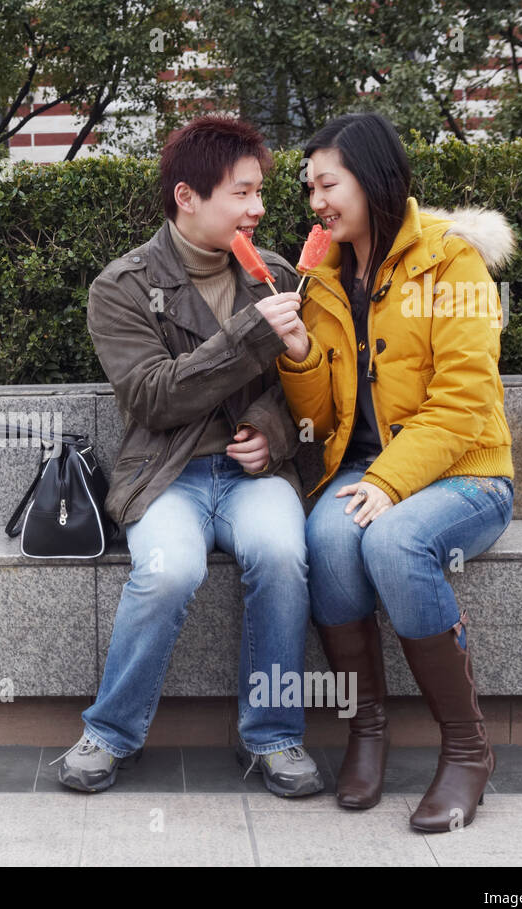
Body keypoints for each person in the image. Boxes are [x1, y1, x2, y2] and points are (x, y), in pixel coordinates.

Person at [52, 115, 323, 797]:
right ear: (187, 197)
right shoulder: (121, 287)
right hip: (167, 475)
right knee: (169, 572)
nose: (259, 208)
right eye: (242, 193)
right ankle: (110, 732)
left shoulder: (282, 277)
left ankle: (273, 736)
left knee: (283, 557)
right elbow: (151, 398)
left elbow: (310, 388)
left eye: (260, 191)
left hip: (252, 476)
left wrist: (274, 431)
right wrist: (247, 336)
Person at [277, 111, 516, 831]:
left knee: (391, 541)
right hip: (362, 467)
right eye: (310, 187)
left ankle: (469, 750)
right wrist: (295, 353)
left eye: (328, 183)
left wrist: (387, 482)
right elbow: (316, 413)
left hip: (467, 474)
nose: (316, 200)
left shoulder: (451, 260)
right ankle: (366, 728)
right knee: (326, 541)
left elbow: (467, 399)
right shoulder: (321, 276)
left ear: (373, 177)